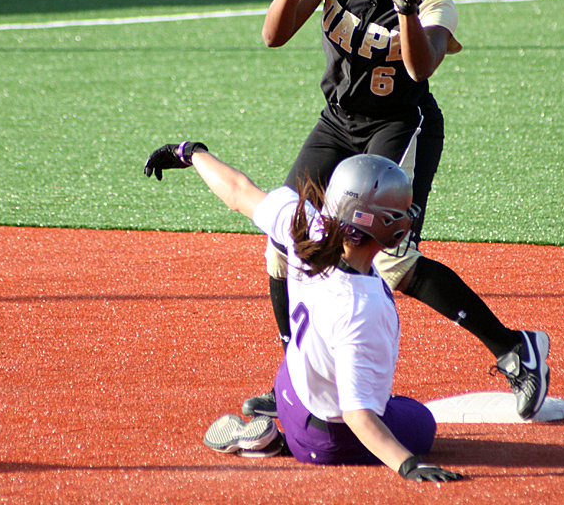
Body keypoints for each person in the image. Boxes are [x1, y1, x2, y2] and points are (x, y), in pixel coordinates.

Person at [244, 0, 551, 423]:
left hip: (398, 125)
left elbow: (419, 66)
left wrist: (406, 3)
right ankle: (300, 376)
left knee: (392, 260)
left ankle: (515, 349)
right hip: (338, 123)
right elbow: (272, 35)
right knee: (283, 239)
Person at [145, 142, 463, 482]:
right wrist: (408, 464)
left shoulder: (307, 228)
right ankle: (278, 443)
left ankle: (277, 433)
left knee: (363, 387)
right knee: (420, 422)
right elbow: (357, 416)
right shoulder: (360, 308)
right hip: (324, 440)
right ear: (380, 224)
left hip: (289, 389)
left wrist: (190, 152)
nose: (406, 216)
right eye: (400, 211)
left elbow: (238, 192)